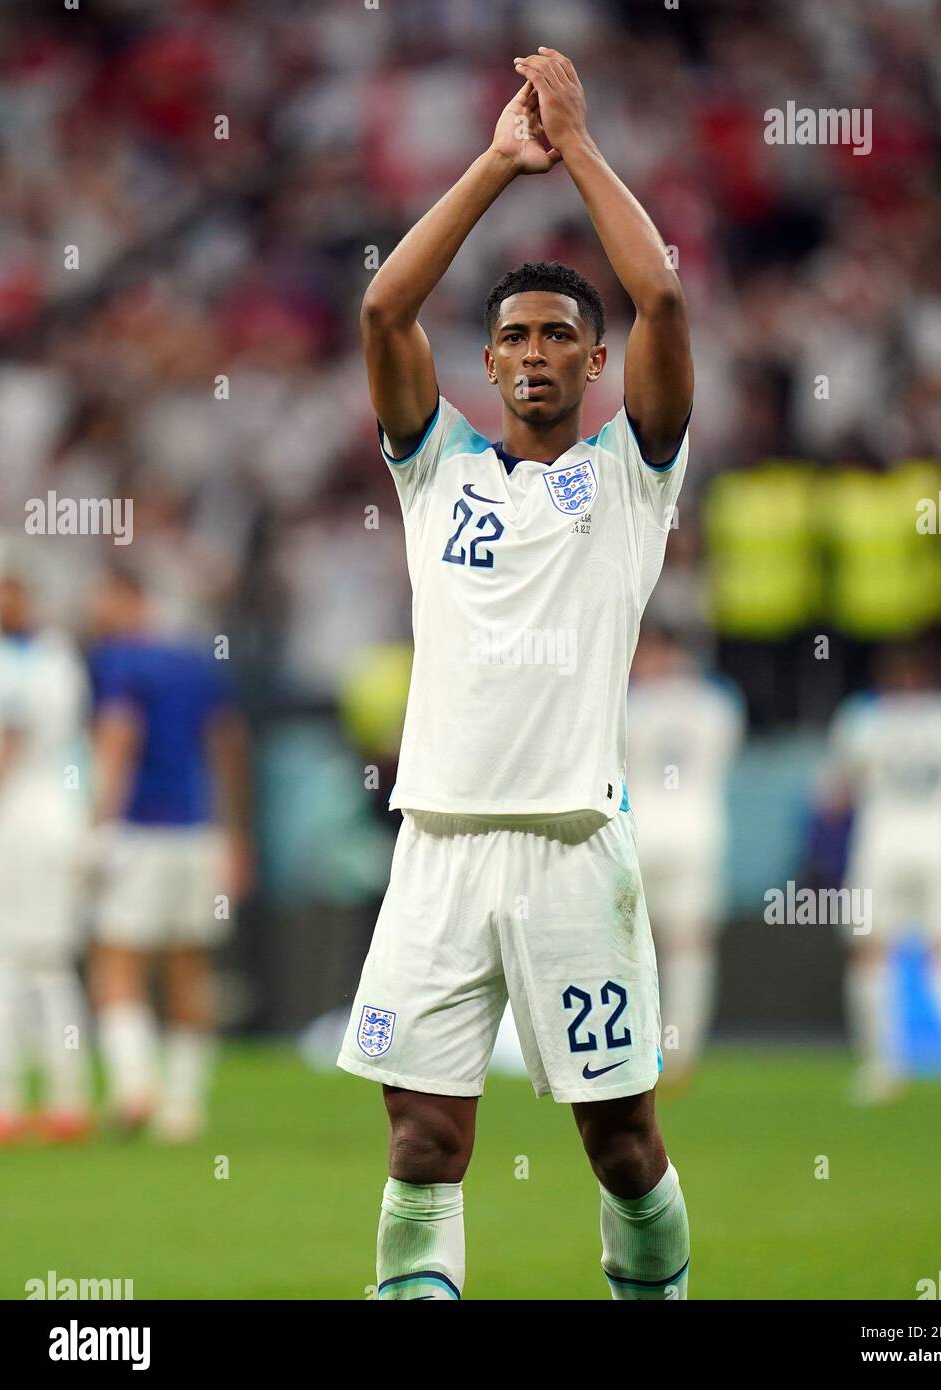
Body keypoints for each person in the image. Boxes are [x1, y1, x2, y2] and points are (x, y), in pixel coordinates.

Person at [338, 48, 694, 1300]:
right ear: (486, 366)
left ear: (592, 365)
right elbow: (384, 311)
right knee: (425, 1142)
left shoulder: (629, 480)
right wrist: (498, 161)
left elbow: (664, 301)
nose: (533, 349)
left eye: (557, 334)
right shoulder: (437, 471)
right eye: (511, 336)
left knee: (624, 1147)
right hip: (437, 846)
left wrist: (579, 146)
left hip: (569, 850)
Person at [86, 571, 251, 1142]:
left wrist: (97, 823)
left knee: (116, 962)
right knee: (190, 966)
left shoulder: (118, 663)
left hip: (139, 830)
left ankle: (135, 1085)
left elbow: (118, 739)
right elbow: (227, 749)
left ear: (128, 598)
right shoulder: (196, 664)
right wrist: (235, 836)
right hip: (200, 834)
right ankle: (183, 1108)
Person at [826, 639, 941, 1105]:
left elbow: (839, 789)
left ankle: (883, 1067)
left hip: (882, 843)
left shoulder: (864, 719)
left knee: (870, 953)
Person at [626, 625, 745, 1095]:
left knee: (630, 945)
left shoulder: (629, 703)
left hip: (639, 831)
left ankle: (634, 1048)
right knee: (689, 944)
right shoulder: (719, 705)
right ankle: (681, 1054)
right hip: (699, 831)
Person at [0, 573, 92, 1143]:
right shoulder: (63, 658)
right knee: (50, 963)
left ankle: (12, 1101)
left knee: (13, 961)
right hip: (64, 810)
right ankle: (66, 1099)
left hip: (23, 817)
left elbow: (8, 742)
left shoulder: (30, 663)